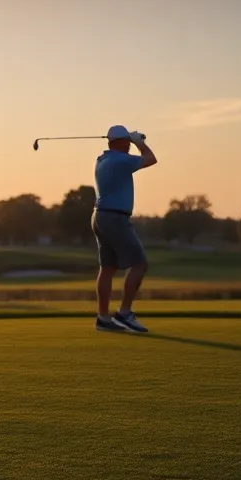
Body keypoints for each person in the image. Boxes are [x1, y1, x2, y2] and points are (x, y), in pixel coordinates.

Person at [91, 125, 157, 334]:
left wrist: (132, 139)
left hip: (100, 216)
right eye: (127, 142)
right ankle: (124, 313)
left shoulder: (103, 160)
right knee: (140, 264)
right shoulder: (120, 160)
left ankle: (103, 318)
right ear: (118, 142)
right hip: (115, 218)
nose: (129, 145)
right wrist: (140, 142)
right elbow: (150, 158)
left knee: (108, 268)